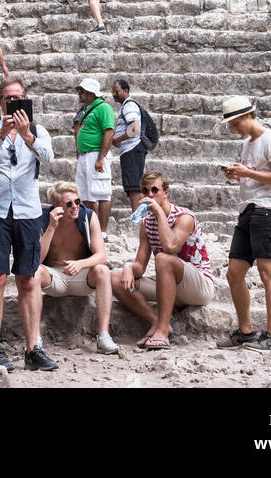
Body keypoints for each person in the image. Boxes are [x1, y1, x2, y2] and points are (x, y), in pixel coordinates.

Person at [0, 75, 58, 371]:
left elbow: (49, 159)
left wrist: (27, 136)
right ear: (1, 102)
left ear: (26, 100)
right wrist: (1, 135)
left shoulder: (38, 130)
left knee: (28, 278)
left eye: (18, 99)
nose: (13, 104)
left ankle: (33, 348)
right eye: (8, 99)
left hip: (27, 213)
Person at [110, 171, 215, 349]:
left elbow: (170, 246)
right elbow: (140, 266)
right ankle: (159, 322)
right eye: (145, 191)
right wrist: (128, 269)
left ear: (166, 192)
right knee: (114, 278)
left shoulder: (184, 217)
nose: (149, 195)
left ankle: (162, 333)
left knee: (163, 258)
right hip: (169, 284)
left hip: (199, 285)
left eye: (154, 190)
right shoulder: (146, 224)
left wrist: (159, 212)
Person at [218, 95, 271, 351]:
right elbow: (254, 177)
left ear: (249, 115)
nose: (234, 129)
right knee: (234, 273)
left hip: (266, 211)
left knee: (268, 273)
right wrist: (237, 175)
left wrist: (246, 173)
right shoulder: (248, 143)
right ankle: (246, 331)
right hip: (248, 210)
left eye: (236, 123)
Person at [39, 182, 119, 355]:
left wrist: (80, 264)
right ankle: (35, 339)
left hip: (81, 276)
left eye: (77, 201)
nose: (75, 206)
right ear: (56, 206)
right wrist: (52, 226)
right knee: (33, 273)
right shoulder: (42, 218)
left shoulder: (88, 216)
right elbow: (36, 259)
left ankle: (104, 336)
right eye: (69, 204)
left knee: (103, 271)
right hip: (54, 277)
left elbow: (101, 256)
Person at [73, 77, 114, 233]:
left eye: (82, 91)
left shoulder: (103, 108)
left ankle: (102, 231)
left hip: (96, 154)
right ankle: (93, 227)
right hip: (85, 155)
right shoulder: (87, 109)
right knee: (84, 193)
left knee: (102, 193)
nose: (80, 94)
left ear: (91, 93)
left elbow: (109, 131)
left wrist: (101, 158)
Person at [111, 76, 145, 209]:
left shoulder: (129, 106)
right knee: (132, 185)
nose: (114, 95)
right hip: (131, 150)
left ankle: (138, 217)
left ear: (125, 91)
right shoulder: (126, 106)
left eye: (117, 91)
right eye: (113, 92)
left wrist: (117, 140)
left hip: (132, 148)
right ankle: (138, 215)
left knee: (134, 185)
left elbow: (134, 129)